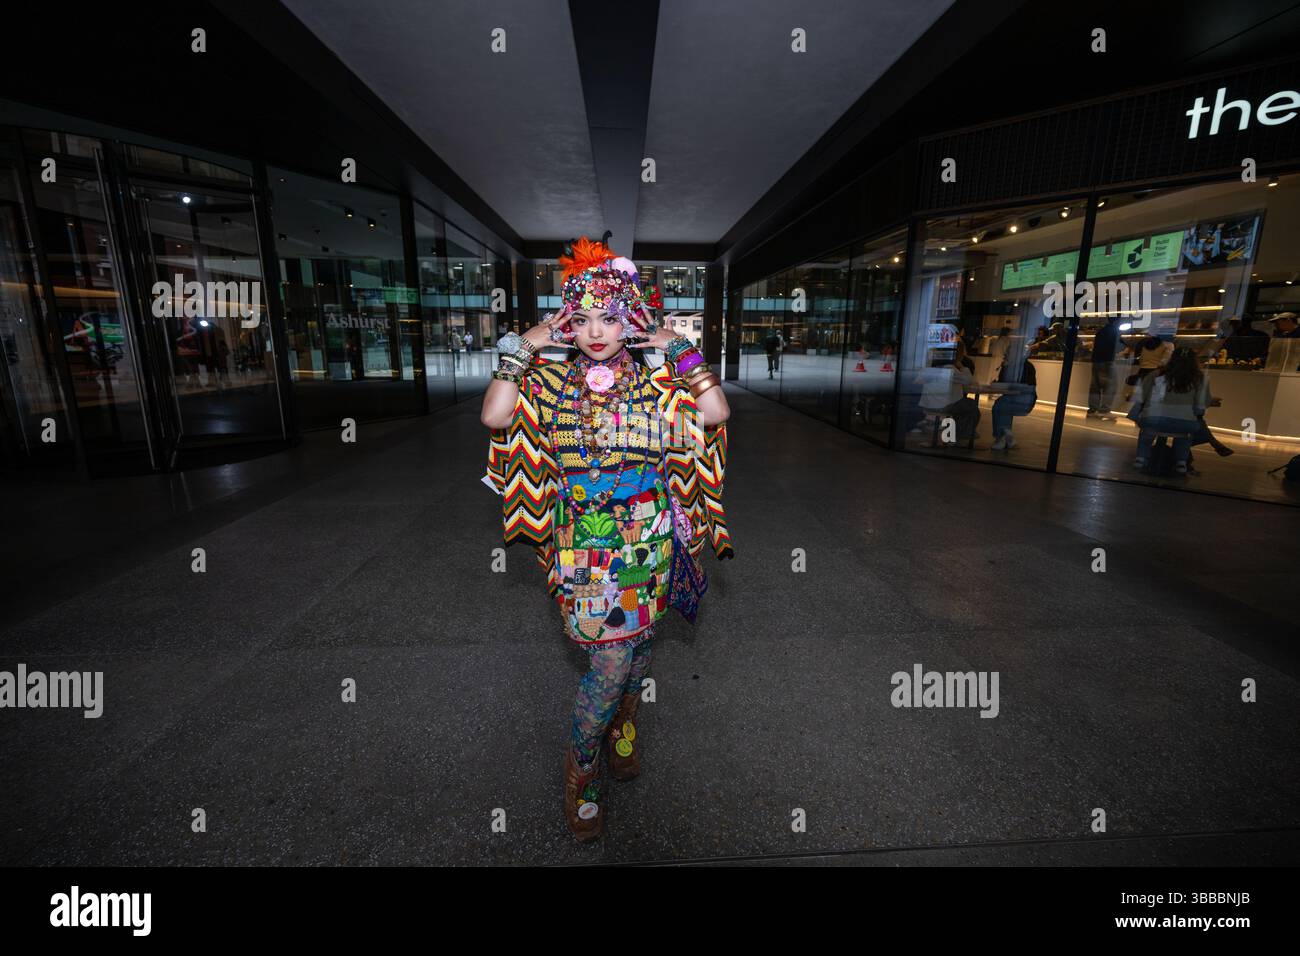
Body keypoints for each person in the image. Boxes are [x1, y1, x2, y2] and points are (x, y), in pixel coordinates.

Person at [480, 236, 733, 843]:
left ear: (630, 321)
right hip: (585, 548)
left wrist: (683, 351)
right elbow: (494, 417)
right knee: (611, 659)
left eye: (610, 317)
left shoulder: (656, 381)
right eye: (584, 318)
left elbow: (717, 414)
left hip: (649, 542)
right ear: (568, 322)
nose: (596, 331)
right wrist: (524, 345)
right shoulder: (549, 382)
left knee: (640, 650)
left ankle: (625, 727)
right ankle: (581, 769)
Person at [1129, 346, 1212, 476]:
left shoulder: (1157, 374)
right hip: (1185, 422)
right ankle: (1181, 462)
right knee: (1186, 431)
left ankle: (1141, 458)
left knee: (1147, 429)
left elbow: (1141, 396)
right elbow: (1203, 403)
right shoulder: (1199, 378)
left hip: (1154, 418)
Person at [990, 348, 1036, 451]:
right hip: (1011, 398)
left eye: (1007, 355)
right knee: (1002, 405)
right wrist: (1004, 368)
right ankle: (1007, 435)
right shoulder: (1009, 366)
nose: (1005, 357)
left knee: (1000, 405)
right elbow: (1003, 384)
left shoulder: (1027, 367)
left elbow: (1025, 387)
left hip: (1024, 400)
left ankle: (1001, 437)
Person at [1121, 333, 1174, 403]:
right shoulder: (1168, 344)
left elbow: (1140, 358)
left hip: (1143, 370)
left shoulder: (1144, 342)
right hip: (1156, 372)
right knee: (1153, 394)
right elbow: (1165, 361)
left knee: (1143, 393)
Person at [1086, 316, 1121, 420]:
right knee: (1110, 386)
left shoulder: (1102, 331)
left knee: (1095, 386)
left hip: (1097, 360)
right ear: (1118, 321)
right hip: (1107, 361)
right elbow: (1116, 347)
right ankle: (1104, 410)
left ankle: (1092, 410)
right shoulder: (1114, 331)